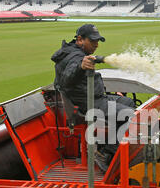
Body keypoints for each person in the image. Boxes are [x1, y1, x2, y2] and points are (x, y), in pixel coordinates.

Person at [51, 24, 135, 173]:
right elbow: (65, 80)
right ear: (80, 39)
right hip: (87, 104)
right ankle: (106, 154)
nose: (96, 45)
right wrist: (80, 67)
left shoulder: (75, 53)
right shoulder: (75, 57)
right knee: (130, 115)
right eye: (93, 41)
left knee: (127, 102)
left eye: (98, 41)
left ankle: (107, 146)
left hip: (96, 98)